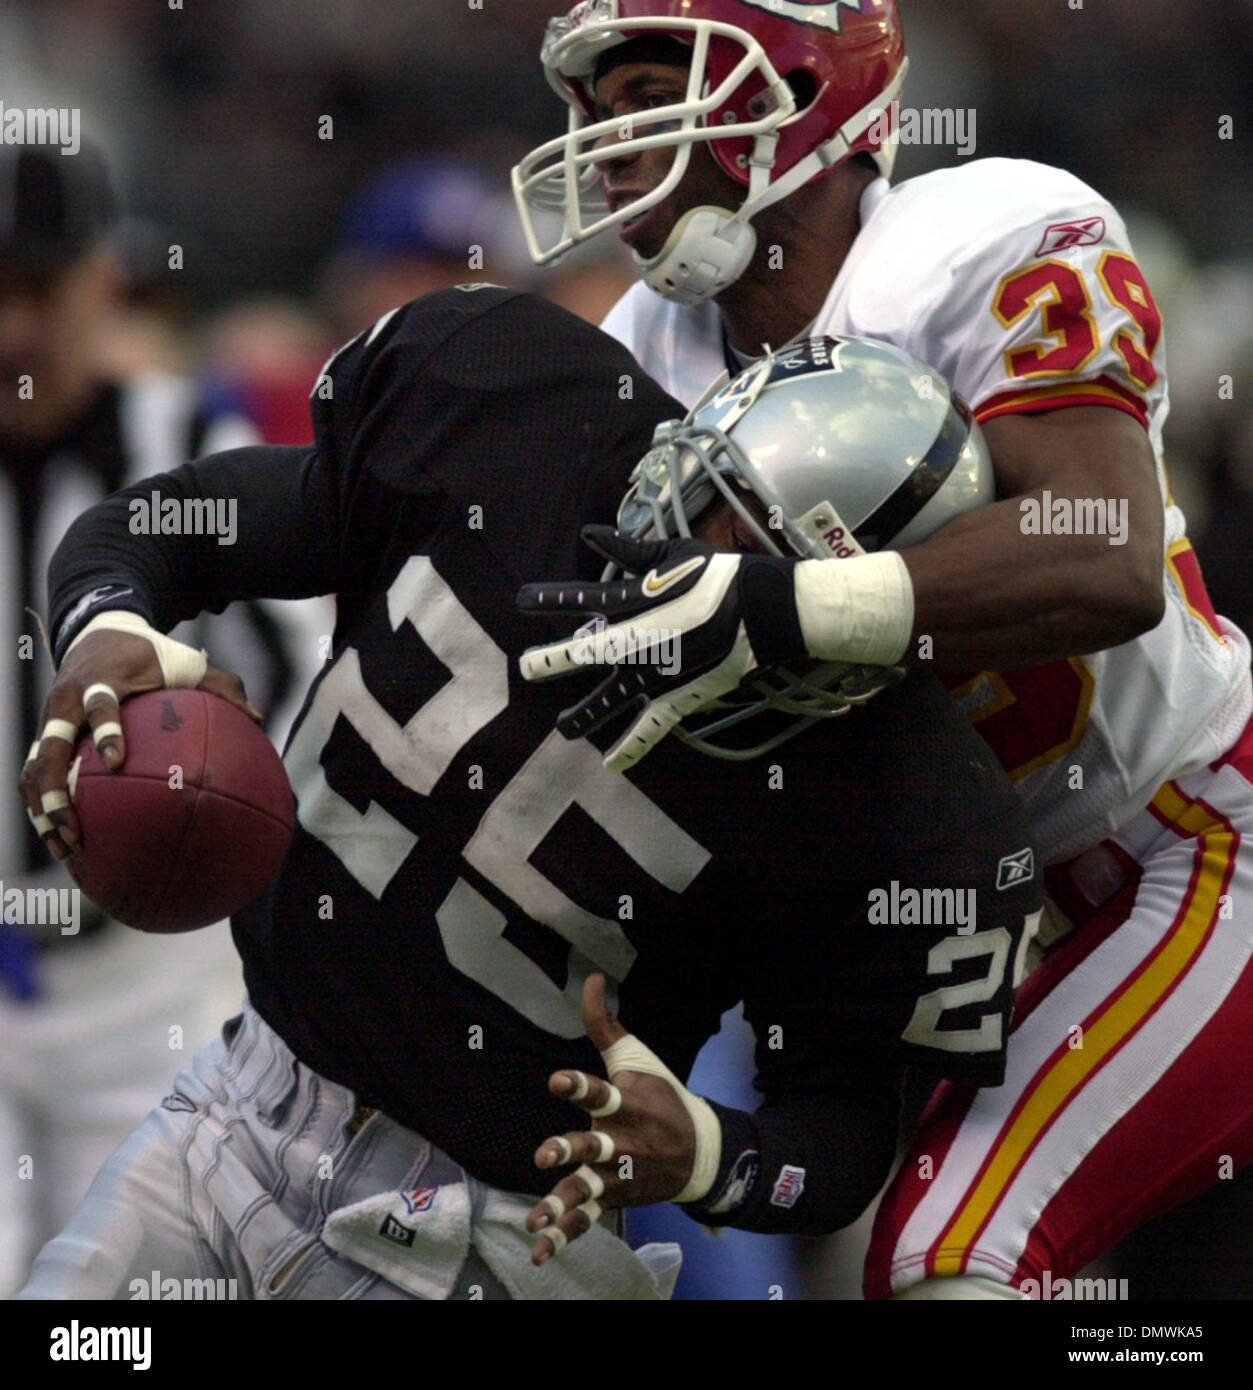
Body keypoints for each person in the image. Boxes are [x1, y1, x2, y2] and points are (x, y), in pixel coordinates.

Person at [16, 287, 1038, 1299]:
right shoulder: (519, 424)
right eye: (727, 526)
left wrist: (709, 1155)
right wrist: (107, 627)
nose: (723, 588)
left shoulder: (906, 807)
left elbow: (844, 1133)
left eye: (781, 593)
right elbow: (165, 526)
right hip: (232, 1104)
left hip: (492, 1248)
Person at [512, 0, 1253, 1298]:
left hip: (1185, 839)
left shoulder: (972, 241)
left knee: (952, 1256)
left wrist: (786, 607)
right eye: (598, 110)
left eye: (648, 97)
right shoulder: (641, 350)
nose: (610, 148)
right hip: (954, 912)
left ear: (804, 95)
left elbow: (1103, 553)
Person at [0, 140, 305, 1298]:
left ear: (102, 280)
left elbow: (304, 680)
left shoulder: (190, 441)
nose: (13, 332)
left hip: (145, 969)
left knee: (129, 1298)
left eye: (37, 288)